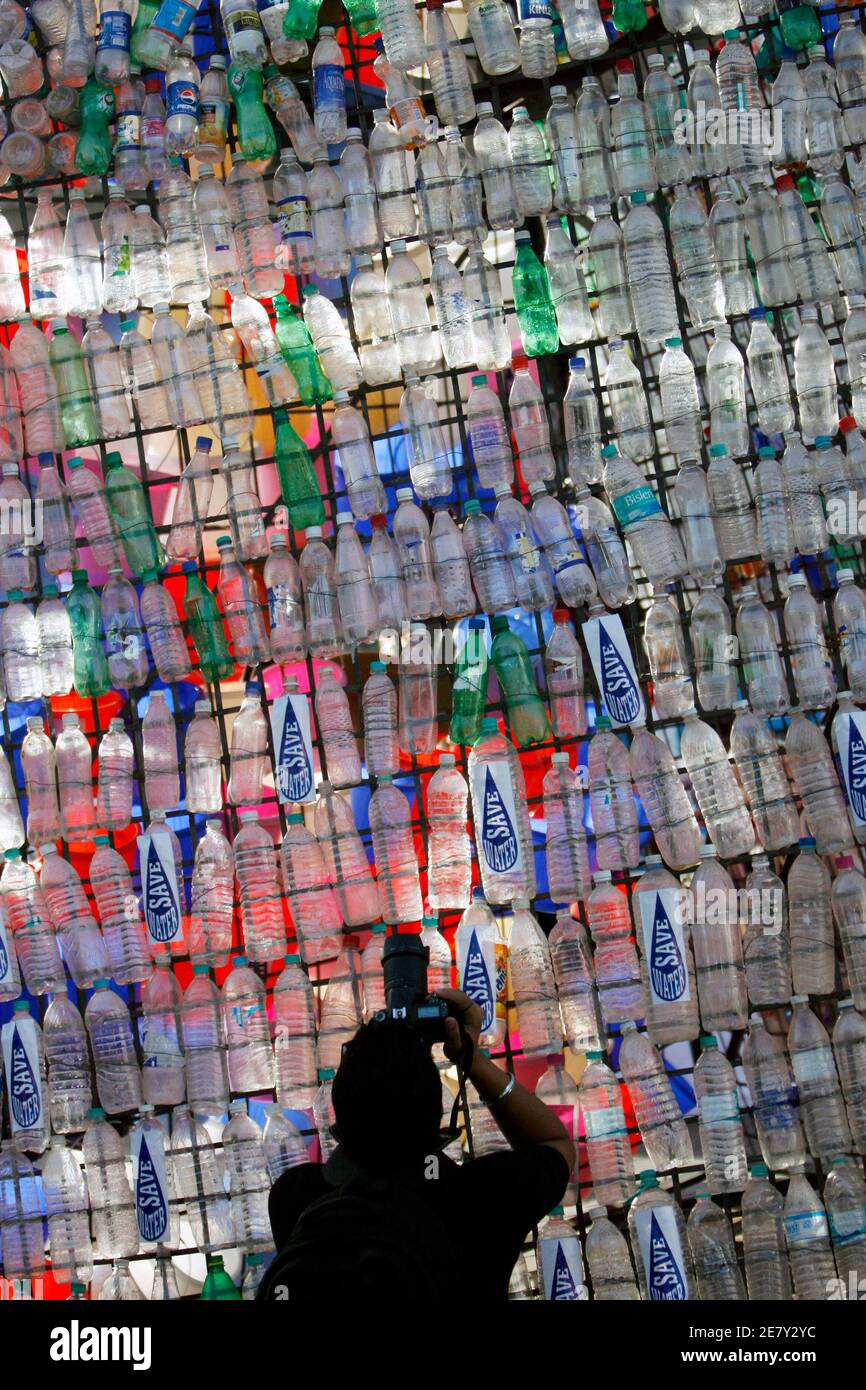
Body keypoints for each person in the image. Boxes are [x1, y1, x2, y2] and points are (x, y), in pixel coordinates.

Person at [258, 986, 575, 1302]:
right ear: (438, 1113)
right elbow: (553, 1141)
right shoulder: (481, 1199)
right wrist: (470, 1059)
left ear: (337, 1118)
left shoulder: (294, 1197)